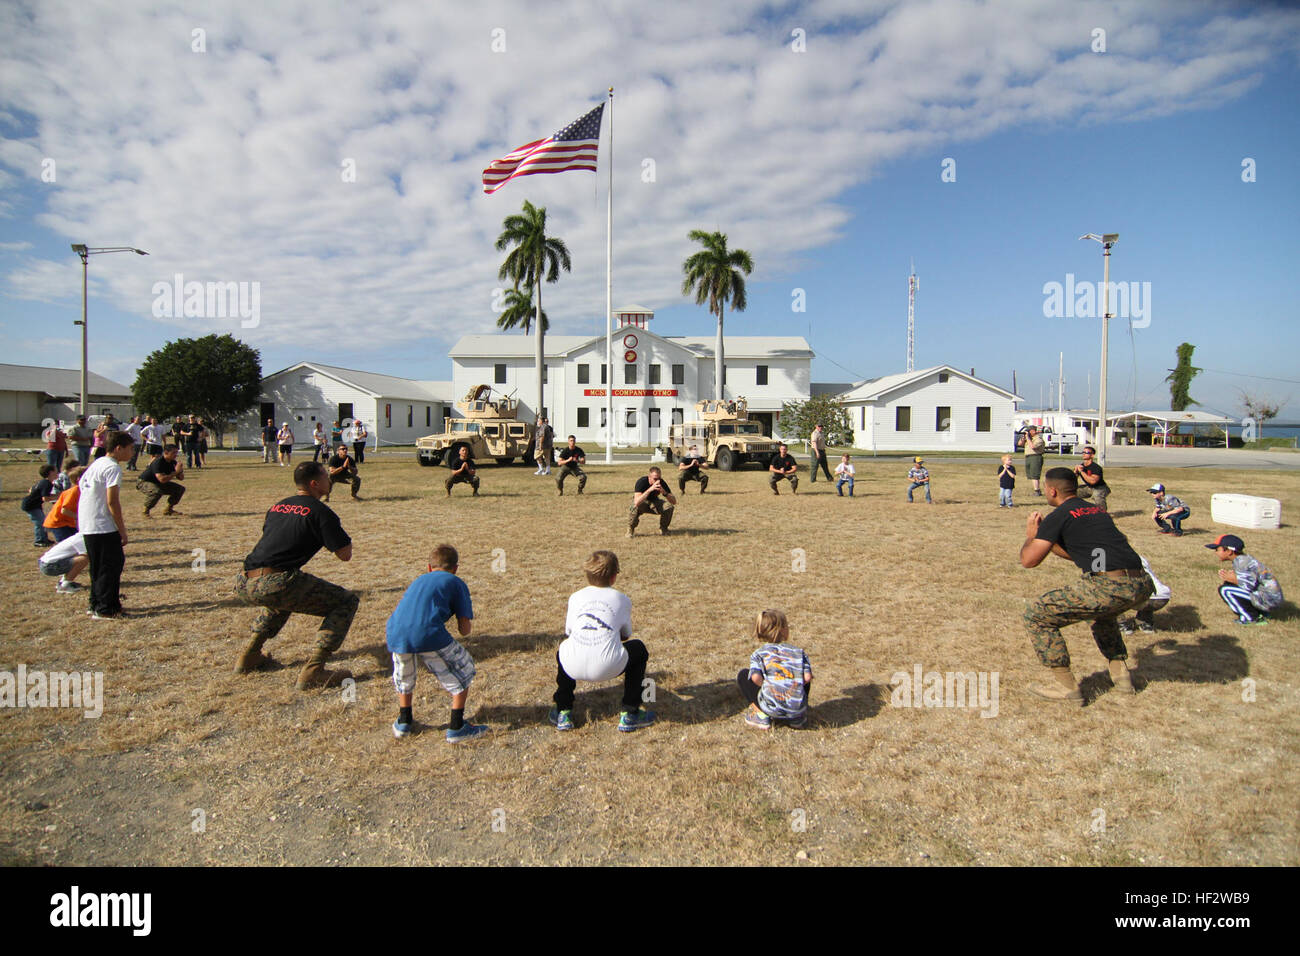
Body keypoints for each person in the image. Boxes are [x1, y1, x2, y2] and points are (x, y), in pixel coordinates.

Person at [1019, 466, 1153, 704]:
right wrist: (1047, 539)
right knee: (1103, 614)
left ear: (1051, 491)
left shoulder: (1059, 516)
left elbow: (1029, 561)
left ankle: (1067, 689)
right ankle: (1122, 678)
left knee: (1037, 614)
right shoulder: (1096, 511)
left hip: (1110, 586)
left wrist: (1032, 536)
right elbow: (1086, 555)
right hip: (1141, 583)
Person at [232, 461, 360, 689]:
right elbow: (345, 554)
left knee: (283, 599)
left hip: (244, 581)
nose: (329, 480)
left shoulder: (279, 505)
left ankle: (250, 655)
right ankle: (315, 670)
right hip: (275, 581)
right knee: (346, 601)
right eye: (325, 476)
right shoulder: (321, 512)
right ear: (314, 483)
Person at [386, 544, 487, 742]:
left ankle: (404, 721)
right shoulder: (456, 582)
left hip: (395, 632)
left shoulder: (418, 580)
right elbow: (465, 630)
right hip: (427, 633)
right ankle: (457, 727)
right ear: (455, 568)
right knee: (463, 671)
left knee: (404, 675)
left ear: (429, 567)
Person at [548, 550, 655, 733]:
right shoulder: (622, 599)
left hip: (572, 665)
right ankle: (630, 712)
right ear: (614, 577)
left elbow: (569, 632)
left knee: (564, 650)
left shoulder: (575, 597)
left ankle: (562, 710)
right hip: (609, 666)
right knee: (639, 649)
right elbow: (626, 635)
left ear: (587, 575)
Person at [78, 430, 135, 620]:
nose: (132, 453)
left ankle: (95, 603)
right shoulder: (112, 468)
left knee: (97, 567)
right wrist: (122, 530)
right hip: (102, 525)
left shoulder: (97, 463)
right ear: (118, 448)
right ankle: (106, 609)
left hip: (88, 523)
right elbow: (112, 502)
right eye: (130, 449)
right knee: (110, 566)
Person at [737, 609, 813, 730]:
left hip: (769, 706)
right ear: (782, 630)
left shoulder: (759, 654)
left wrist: (769, 686)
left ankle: (761, 715)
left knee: (743, 675)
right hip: (796, 709)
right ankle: (797, 718)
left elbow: (756, 678)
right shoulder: (799, 652)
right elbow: (807, 678)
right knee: (800, 674)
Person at [1207, 534, 1283, 626]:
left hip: (1269, 600)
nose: (1215, 552)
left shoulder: (1242, 562)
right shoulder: (1243, 559)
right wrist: (1232, 579)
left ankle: (1251, 618)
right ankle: (1261, 613)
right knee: (1228, 585)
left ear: (1229, 551)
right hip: (1269, 597)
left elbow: (1248, 586)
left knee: (1225, 590)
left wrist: (1232, 579)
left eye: (1217, 549)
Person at [1119, 555, 1171, 636]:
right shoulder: (1140, 557)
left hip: (1142, 598)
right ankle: (1144, 620)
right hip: (1162, 597)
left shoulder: (1111, 557)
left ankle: (1119, 624)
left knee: (1108, 591)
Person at [137, 445, 185, 517]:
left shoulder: (173, 462)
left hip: (157, 482)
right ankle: (145, 511)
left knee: (180, 489)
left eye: (176, 452)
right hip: (144, 482)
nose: (176, 455)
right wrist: (175, 472)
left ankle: (168, 510)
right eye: (173, 453)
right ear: (166, 452)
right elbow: (162, 479)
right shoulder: (158, 462)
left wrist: (180, 470)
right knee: (156, 491)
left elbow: (181, 478)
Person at [629, 465, 675, 536]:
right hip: (642, 502)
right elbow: (637, 502)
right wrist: (650, 490)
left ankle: (664, 528)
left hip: (654, 501)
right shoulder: (641, 482)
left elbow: (674, 501)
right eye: (655, 479)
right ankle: (630, 529)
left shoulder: (661, 482)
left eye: (659, 478)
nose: (658, 481)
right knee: (634, 507)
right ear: (649, 477)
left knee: (669, 507)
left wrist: (664, 493)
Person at [43, 465, 84, 543]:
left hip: (68, 523)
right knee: (68, 546)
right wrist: (81, 517)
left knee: (77, 544)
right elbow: (64, 510)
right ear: (79, 479)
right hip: (58, 523)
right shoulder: (74, 491)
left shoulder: (83, 490)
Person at [21, 464, 59, 547]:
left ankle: (44, 539)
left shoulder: (45, 482)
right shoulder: (47, 483)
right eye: (56, 471)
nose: (58, 473)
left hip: (35, 505)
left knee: (43, 521)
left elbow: (31, 489)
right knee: (40, 522)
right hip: (31, 505)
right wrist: (59, 496)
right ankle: (39, 540)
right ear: (51, 473)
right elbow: (45, 498)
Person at [1074, 446, 1109, 511]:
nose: (1084, 454)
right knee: (1071, 492)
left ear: (1092, 455)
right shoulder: (1081, 466)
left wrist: (1081, 471)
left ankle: (1102, 514)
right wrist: (1075, 472)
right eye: (1083, 452)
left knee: (1097, 496)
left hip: (1100, 488)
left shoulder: (1096, 467)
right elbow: (1072, 480)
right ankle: (1077, 511)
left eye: (1086, 452)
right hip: (1089, 487)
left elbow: (1093, 481)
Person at [1023, 426, 1047, 496]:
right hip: (1028, 457)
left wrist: (1027, 438)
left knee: (1035, 475)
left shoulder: (1038, 439)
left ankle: (1037, 491)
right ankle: (1036, 490)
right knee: (1031, 475)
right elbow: (1019, 444)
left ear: (1033, 431)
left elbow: (1033, 447)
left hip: (1035, 457)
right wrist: (1024, 438)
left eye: (1029, 431)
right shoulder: (1030, 439)